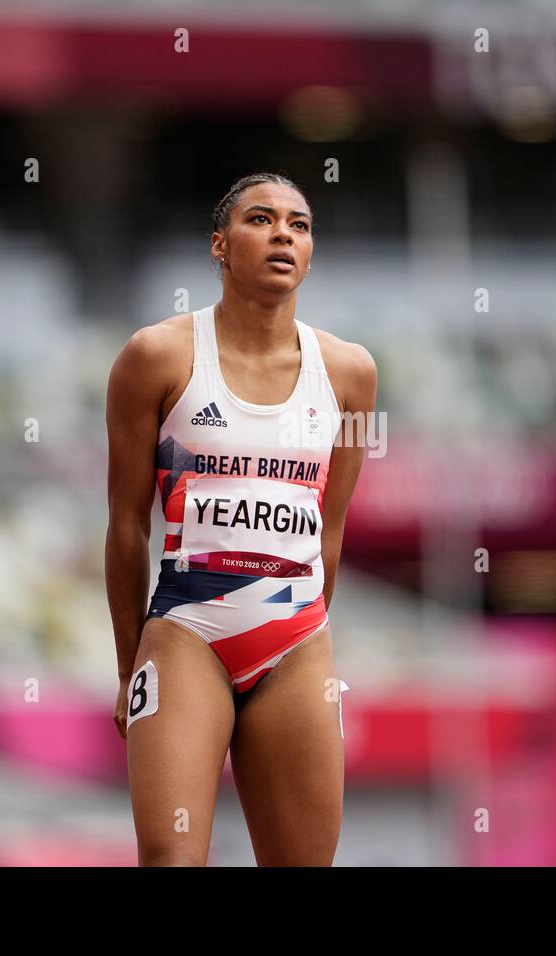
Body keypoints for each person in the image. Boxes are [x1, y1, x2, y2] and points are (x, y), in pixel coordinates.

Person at [104, 172, 377, 865]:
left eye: (301, 224)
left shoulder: (352, 374)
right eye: (262, 219)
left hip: (296, 641)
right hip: (188, 632)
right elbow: (127, 522)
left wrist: (305, 627)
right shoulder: (156, 355)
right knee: (171, 857)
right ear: (220, 246)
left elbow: (332, 526)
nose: (284, 233)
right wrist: (126, 664)